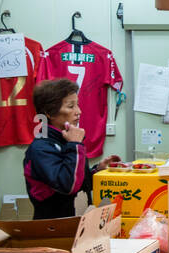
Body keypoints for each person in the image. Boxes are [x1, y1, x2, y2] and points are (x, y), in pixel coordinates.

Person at [24, 79, 119, 219]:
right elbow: (68, 185)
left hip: (76, 226)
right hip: (54, 232)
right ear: (49, 113)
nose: (78, 112)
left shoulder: (65, 140)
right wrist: (75, 145)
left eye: (78, 105)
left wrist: (98, 170)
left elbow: (80, 184)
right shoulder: (41, 148)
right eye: (70, 106)